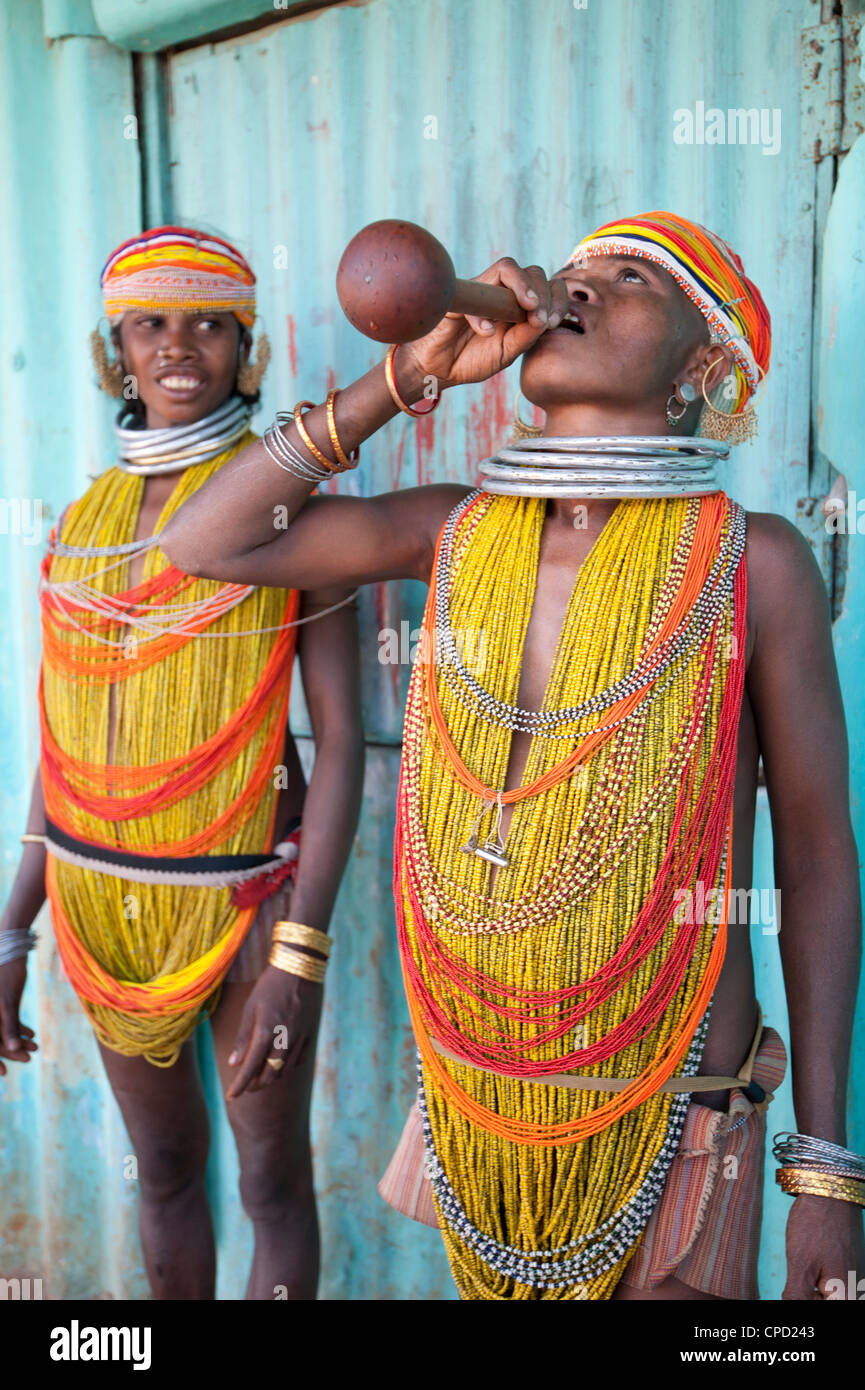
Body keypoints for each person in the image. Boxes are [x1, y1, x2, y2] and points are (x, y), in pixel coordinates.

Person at [158, 210, 864, 1301]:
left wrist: (826, 1170)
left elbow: (816, 860)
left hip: (673, 1099)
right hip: (482, 1087)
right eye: (571, 270)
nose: (574, 287)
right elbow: (205, 543)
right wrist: (403, 376)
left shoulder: (753, 563)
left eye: (627, 278)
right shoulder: (460, 531)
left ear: (704, 363)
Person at [0, 226, 364, 1301]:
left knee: (269, 1183)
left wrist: (299, 951)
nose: (178, 345)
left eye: (211, 321)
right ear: (114, 348)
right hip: (102, 904)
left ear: (246, 347)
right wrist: (14, 921)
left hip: (246, 905)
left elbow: (339, 737)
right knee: (162, 1171)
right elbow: (63, 746)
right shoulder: (85, 527)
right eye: (149, 322)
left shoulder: (289, 507)